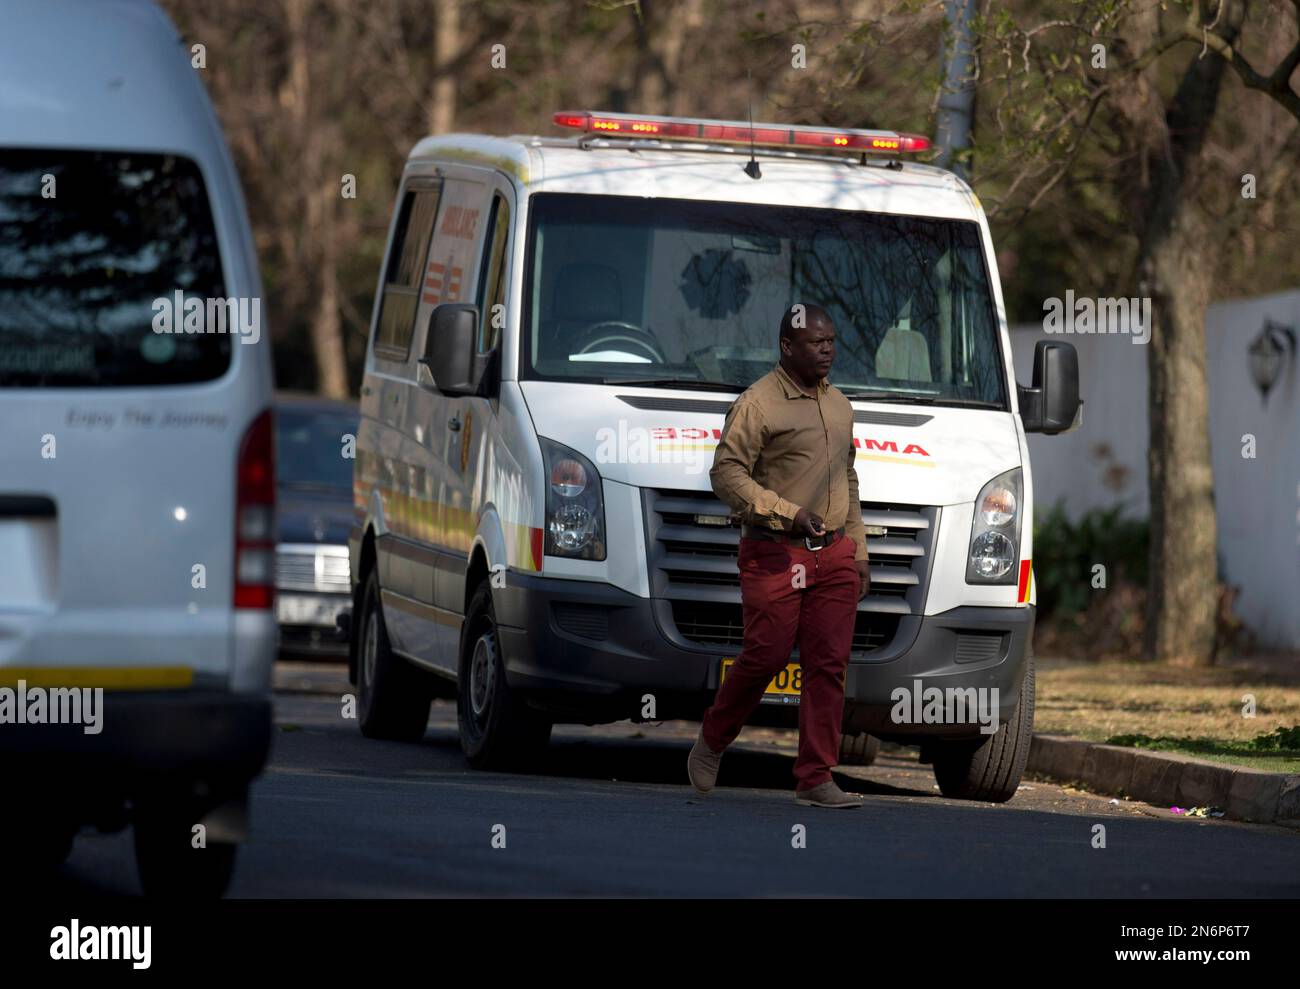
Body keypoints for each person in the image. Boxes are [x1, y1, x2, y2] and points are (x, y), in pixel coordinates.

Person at [687, 303, 870, 808]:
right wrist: (785, 512)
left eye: (831, 340)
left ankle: (815, 777)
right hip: (773, 553)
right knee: (764, 657)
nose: (827, 349)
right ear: (787, 347)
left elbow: (847, 480)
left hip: (833, 554)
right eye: (816, 342)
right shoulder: (758, 404)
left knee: (828, 665)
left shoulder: (840, 406)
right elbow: (726, 474)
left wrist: (858, 549)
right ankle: (713, 740)